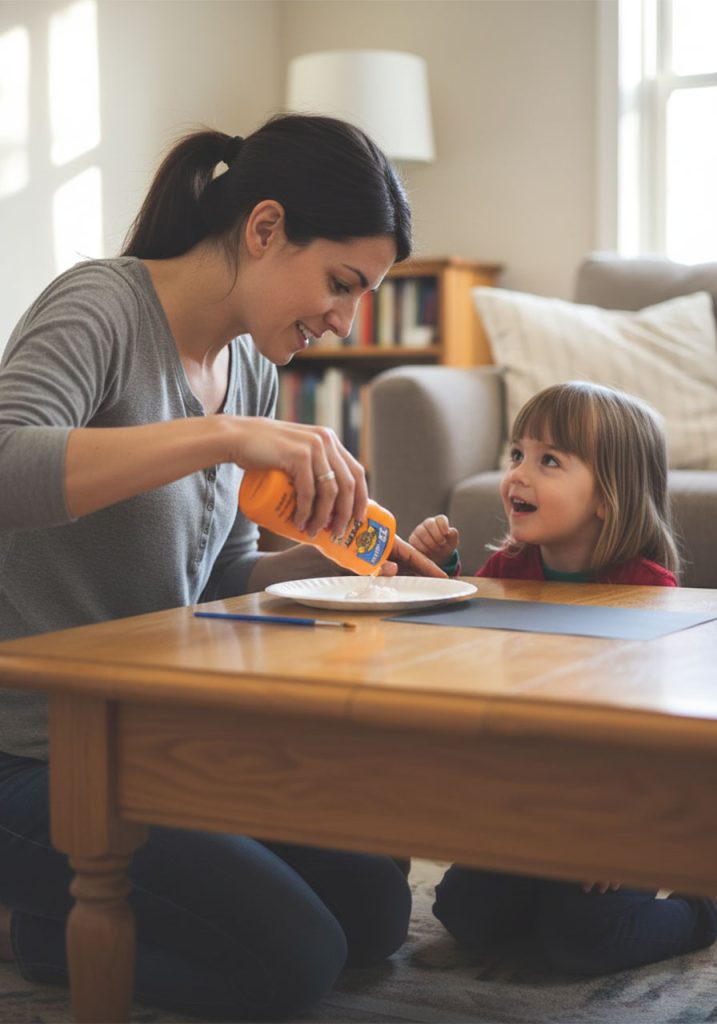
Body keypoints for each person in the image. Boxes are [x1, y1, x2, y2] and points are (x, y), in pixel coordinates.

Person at [0, 114, 443, 1021]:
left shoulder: (250, 368)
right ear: (264, 228)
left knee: (374, 912)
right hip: (34, 751)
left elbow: (217, 577)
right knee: (294, 962)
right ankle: (47, 928)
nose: (343, 317)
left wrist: (335, 572)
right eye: (339, 284)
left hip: (148, 743)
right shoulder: (101, 307)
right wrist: (221, 436)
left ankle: (95, 904)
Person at [409, 380, 717, 975]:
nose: (519, 474)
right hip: (532, 806)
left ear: (608, 496)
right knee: (464, 914)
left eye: (549, 460)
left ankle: (701, 909)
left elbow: (655, 732)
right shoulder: (506, 570)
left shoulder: (647, 592)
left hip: (618, 811)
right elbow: (459, 647)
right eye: (517, 453)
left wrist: (622, 835)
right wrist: (441, 571)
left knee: (584, 942)